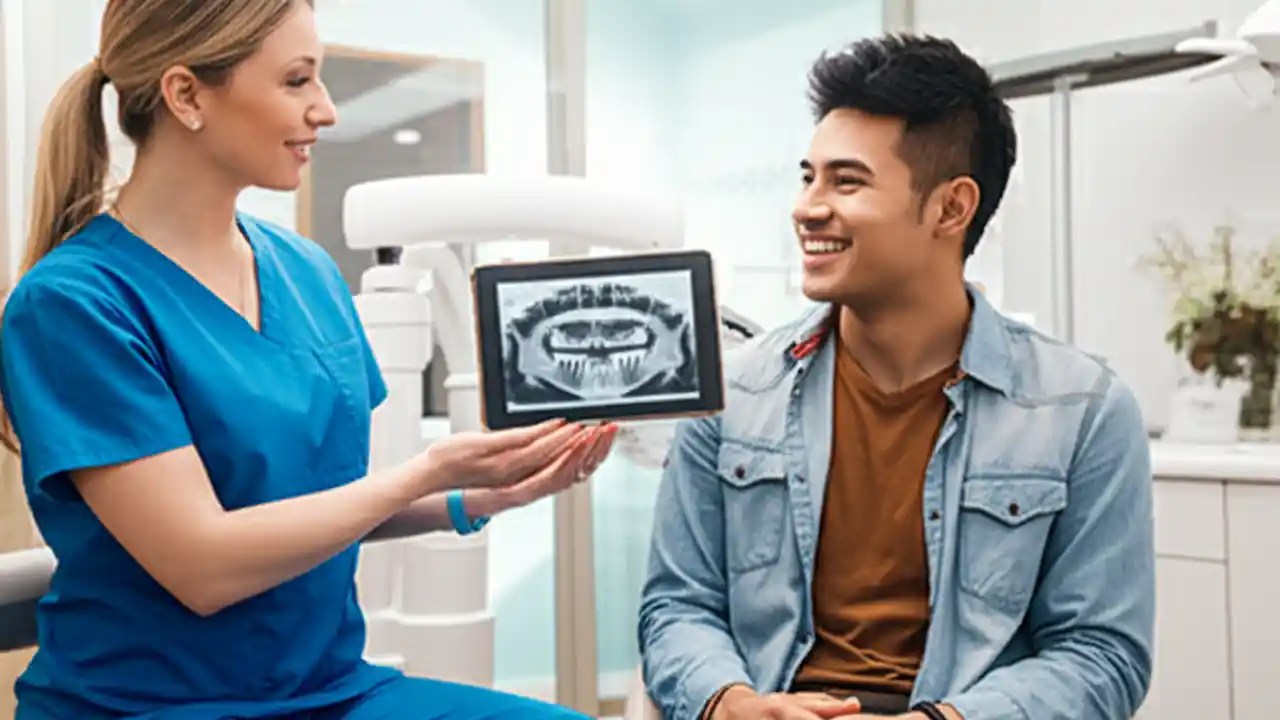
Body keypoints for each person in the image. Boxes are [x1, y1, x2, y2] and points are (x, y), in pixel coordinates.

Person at [0, 1, 617, 718]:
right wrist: (427, 471)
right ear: (187, 95)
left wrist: (476, 496)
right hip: (150, 704)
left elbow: (319, 504)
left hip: (328, 689)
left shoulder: (307, 271)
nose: (326, 110)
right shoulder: (75, 304)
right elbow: (203, 566)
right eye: (297, 81)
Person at [638, 33, 1155, 720]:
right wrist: (731, 704)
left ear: (951, 208)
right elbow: (678, 605)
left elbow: (1101, 655)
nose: (807, 206)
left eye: (846, 181)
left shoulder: (1082, 411)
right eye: (808, 176)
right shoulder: (732, 394)